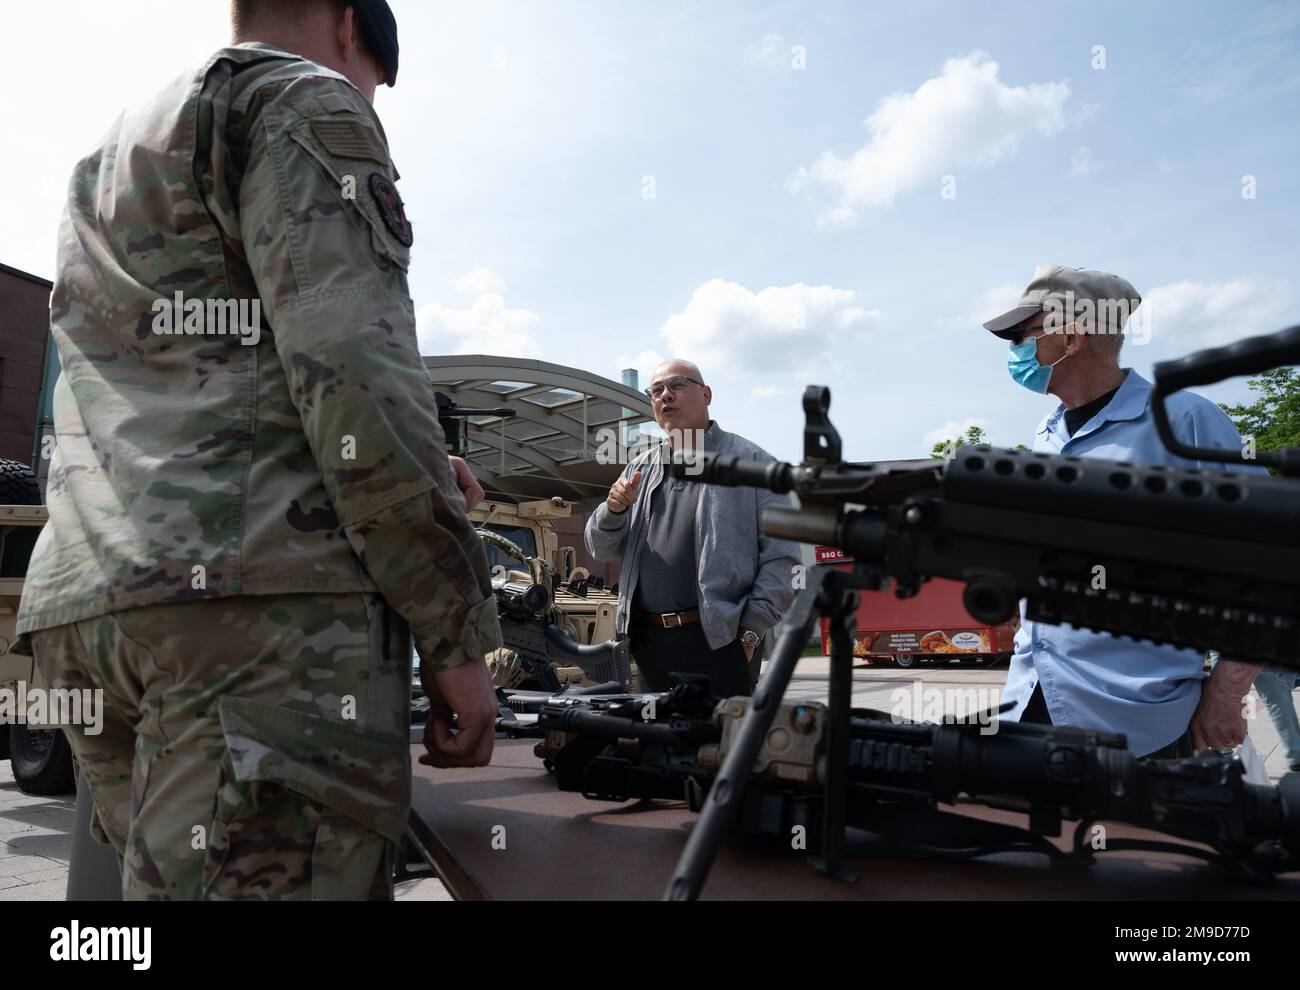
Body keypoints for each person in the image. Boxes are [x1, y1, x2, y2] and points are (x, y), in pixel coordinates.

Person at [15, 0, 501, 900]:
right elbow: (356, 372)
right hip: (260, 618)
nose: (369, 109)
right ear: (351, 27)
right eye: (377, 91)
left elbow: (182, 375)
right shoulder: (303, 97)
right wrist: (456, 634)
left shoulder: (111, 153)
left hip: (94, 605)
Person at [983, 265, 1261, 759]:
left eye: (1023, 336)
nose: (1015, 352)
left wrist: (1227, 691)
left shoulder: (1184, 423)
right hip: (1033, 702)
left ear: (1070, 337)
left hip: (1141, 725)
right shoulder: (1045, 436)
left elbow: (1270, 567)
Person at [584, 360, 800, 696]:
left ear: (707, 394)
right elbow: (601, 548)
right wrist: (612, 510)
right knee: (656, 744)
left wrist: (750, 632)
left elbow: (784, 560)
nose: (665, 395)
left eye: (677, 385)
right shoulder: (640, 467)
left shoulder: (755, 465)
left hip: (721, 643)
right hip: (649, 644)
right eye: (656, 390)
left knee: (722, 747)